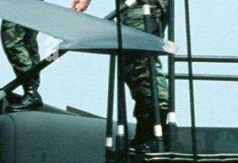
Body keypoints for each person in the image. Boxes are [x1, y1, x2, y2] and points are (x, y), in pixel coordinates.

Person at [72, 0, 170, 149]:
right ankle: (148, 133)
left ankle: (154, 133)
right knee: (136, 64)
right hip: (143, 6)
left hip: (142, 5)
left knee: (139, 64)